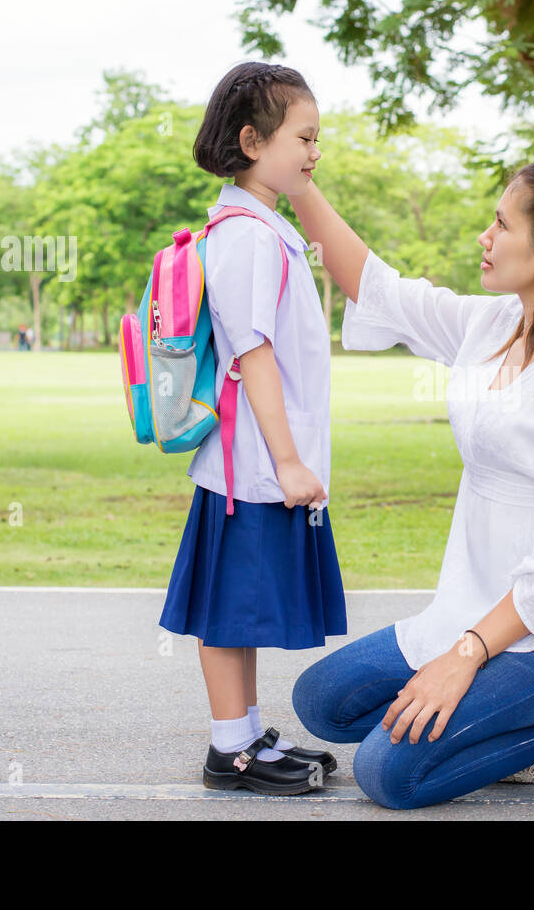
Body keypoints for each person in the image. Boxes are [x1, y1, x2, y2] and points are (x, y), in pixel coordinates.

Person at [287, 156, 534, 809]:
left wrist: (466, 655)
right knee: (325, 702)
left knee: (390, 774)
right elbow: (376, 287)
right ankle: (520, 719)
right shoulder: (492, 324)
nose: (483, 237)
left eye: (501, 224)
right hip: (477, 606)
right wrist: (297, 181)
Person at [158, 62, 342, 796]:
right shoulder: (247, 236)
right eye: (304, 137)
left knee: (240, 605)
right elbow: (253, 352)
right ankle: (229, 750)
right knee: (231, 609)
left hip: (251, 463)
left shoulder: (260, 227)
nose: (313, 152)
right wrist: (290, 462)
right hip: (251, 467)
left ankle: (245, 732)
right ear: (252, 140)